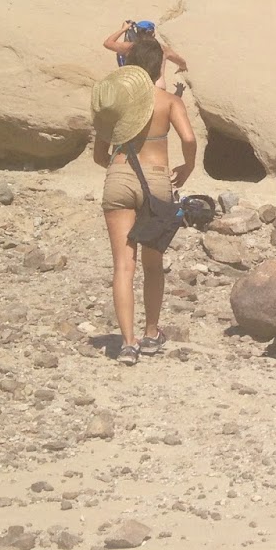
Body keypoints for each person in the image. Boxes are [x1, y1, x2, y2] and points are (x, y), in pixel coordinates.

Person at [91, 38, 197, 366]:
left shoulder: (116, 102)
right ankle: (151, 334)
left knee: (123, 266)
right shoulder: (169, 101)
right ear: (158, 67)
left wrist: (120, 169)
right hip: (156, 181)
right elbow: (189, 138)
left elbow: (99, 155)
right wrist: (188, 166)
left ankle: (127, 344)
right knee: (153, 265)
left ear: (131, 66)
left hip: (119, 178)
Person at [102, 20, 188, 82]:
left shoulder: (130, 47)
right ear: (152, 33)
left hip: (136, 83)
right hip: (157, 85)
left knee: (120, 55)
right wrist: (182, 67)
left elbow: (107, 43)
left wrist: (124, 29)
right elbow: (181, 61)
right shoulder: (163, 49)